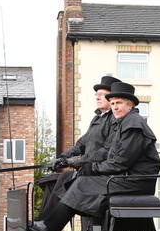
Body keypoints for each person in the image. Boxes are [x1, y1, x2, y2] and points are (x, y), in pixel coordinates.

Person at [30, 80, 160, 231]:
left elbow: (120, 162)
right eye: (112, 103)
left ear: (130, 105)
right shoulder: (124, 123)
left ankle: (49, 230)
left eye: (119, 103)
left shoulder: (133, 124)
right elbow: (105, 154)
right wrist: (71, 161)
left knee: (83, 183)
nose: (115, 107)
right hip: (126, 177)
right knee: (78, 181)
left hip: (135, 181)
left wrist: (93, 168)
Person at [37, 74, 117, 221]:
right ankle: (42, 222)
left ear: (111, 98)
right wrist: (62, 157)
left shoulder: (114, 120)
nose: (97, 97)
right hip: (86, 168)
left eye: (101, 94)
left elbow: (104, 152)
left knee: (64, 180)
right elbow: (81, 144)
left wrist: (72, 162)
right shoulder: (97, 118)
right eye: (96, 94)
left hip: (97, 172)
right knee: (51, 181)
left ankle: (49, 226)